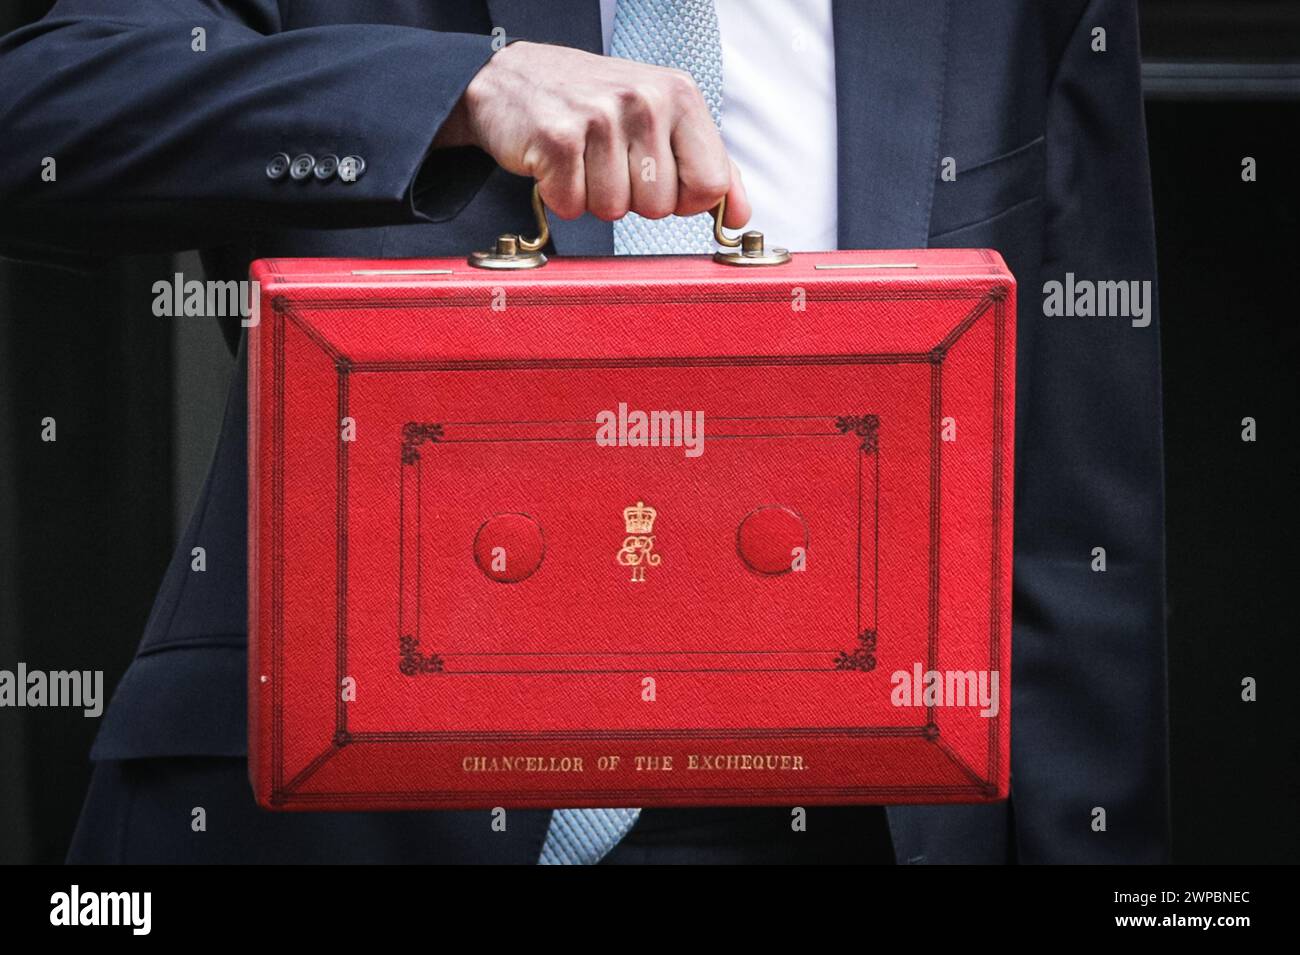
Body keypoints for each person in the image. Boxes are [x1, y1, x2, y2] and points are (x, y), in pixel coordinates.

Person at [0, 0, 1168, 863]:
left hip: (843, 817)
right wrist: (457, 91)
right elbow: (45, 102)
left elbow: (1071, 515)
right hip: (357, 811)